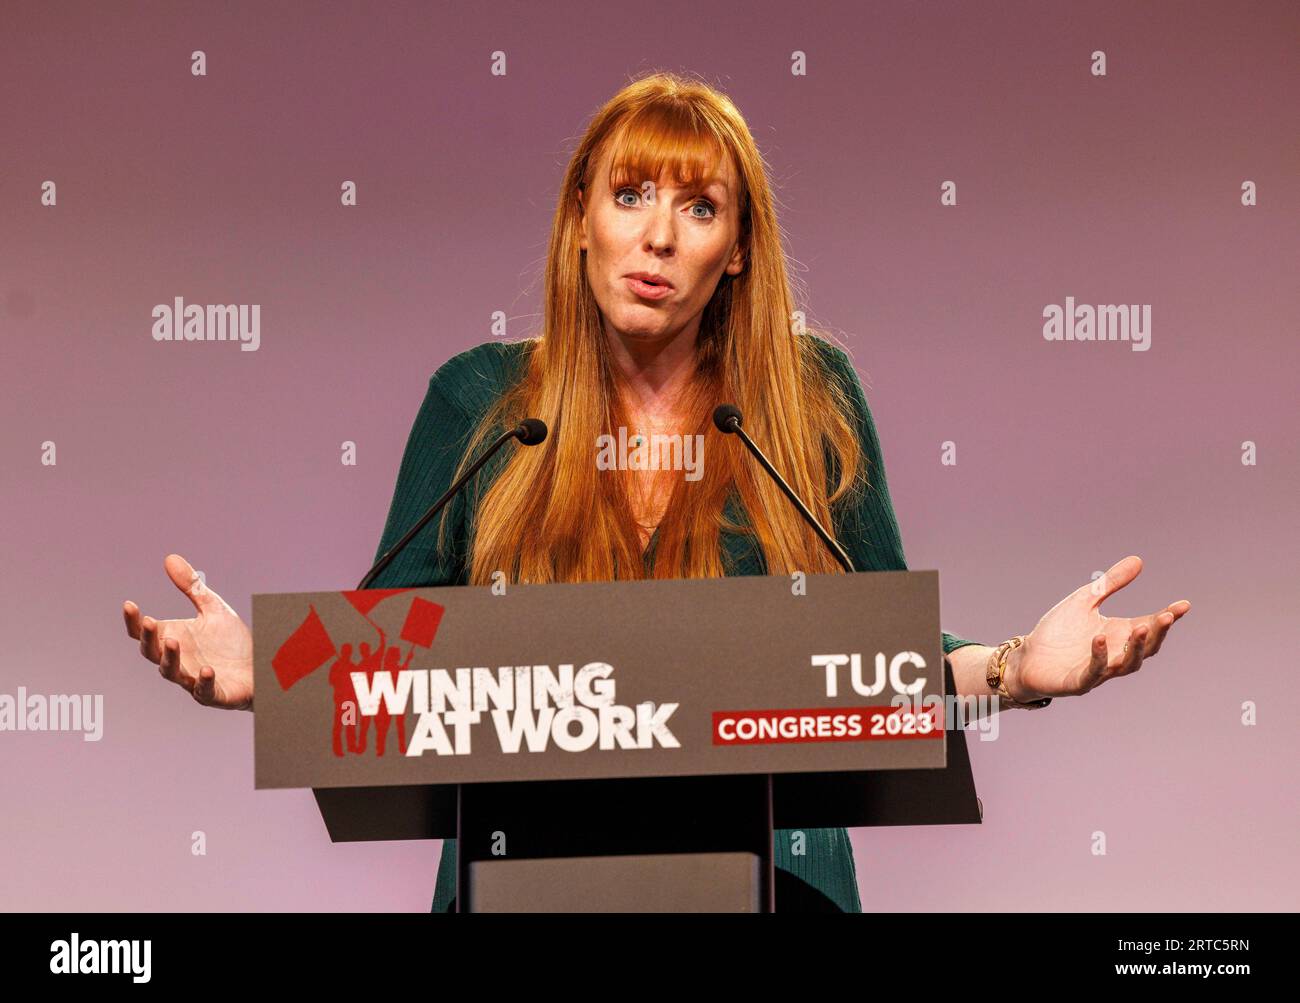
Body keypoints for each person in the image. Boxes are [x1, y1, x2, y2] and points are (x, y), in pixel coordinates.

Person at [122, 71, 1191, 913]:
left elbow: (875, 659)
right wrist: (271, 674)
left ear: (735, 253)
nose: (659, 234)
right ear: (577, 221)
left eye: (699, 207)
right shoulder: (486, 403)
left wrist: (1015, 668)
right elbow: (390, 655)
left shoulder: (805, 402)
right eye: (628, 196)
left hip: (776, 884)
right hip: (519, 882)